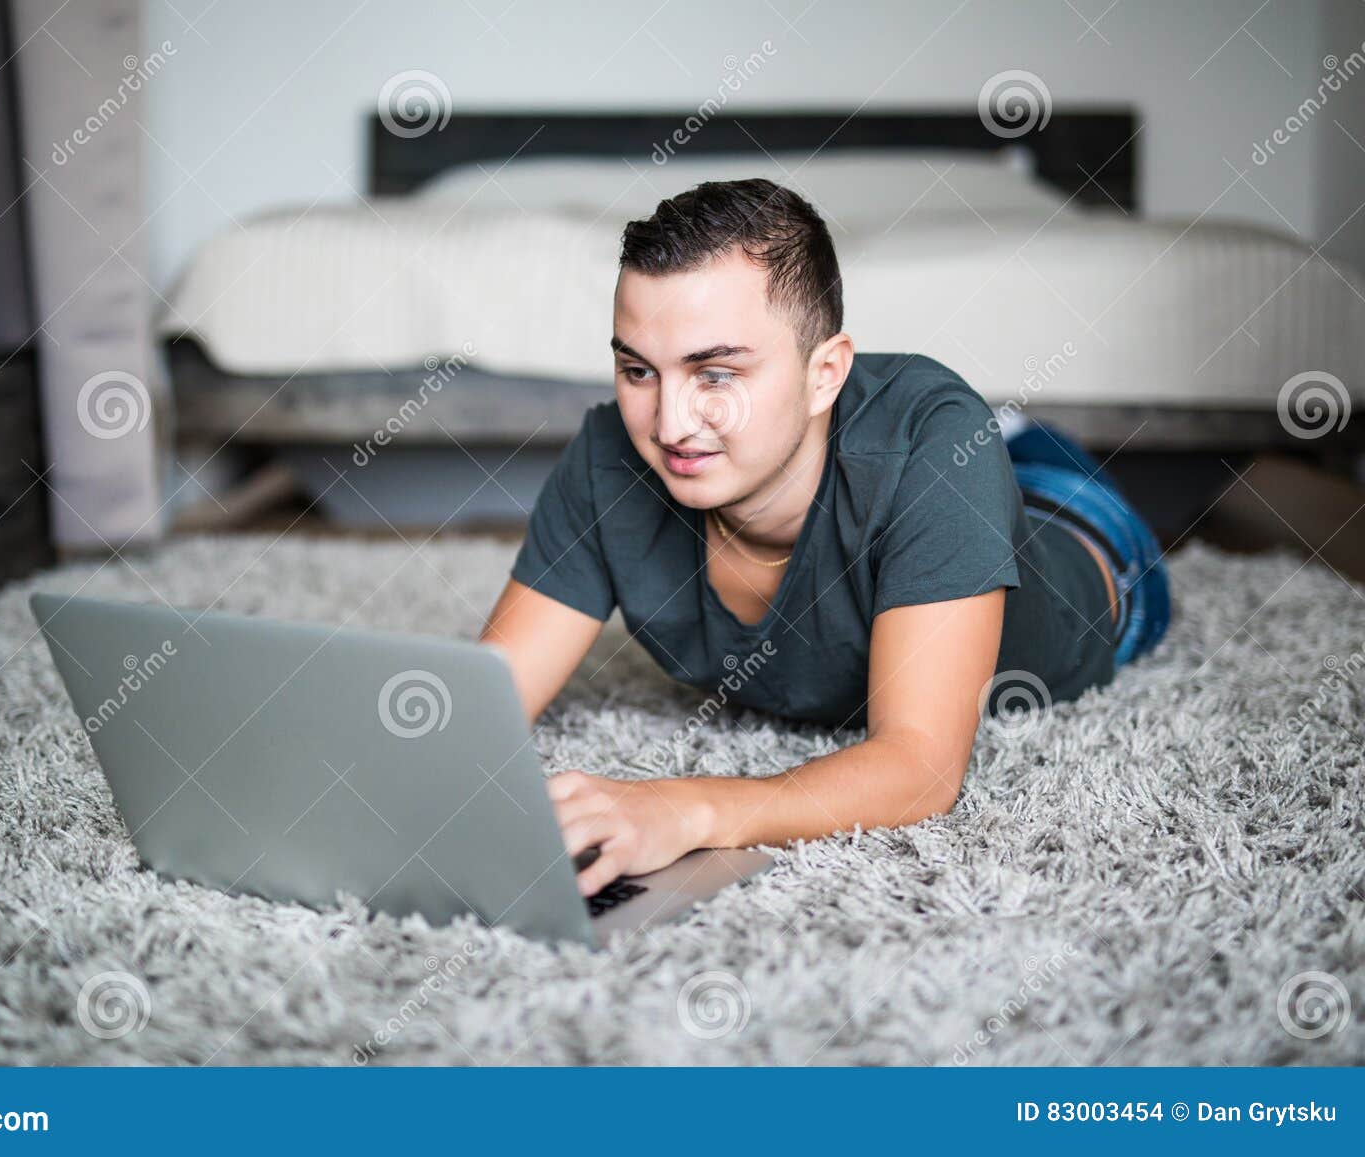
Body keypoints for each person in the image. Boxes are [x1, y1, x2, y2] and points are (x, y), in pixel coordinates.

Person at [478, 178, 1170, 899]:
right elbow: (481, 704)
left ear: (825, 374)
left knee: (969, 447)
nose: (670, 422)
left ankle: (1009, 438)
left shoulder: (936, 447)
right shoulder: (608, 458)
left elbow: (920, 767)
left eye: (716, 372)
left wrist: (687, 808)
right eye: (638, 370)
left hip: (1089, 538)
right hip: (907, 453)